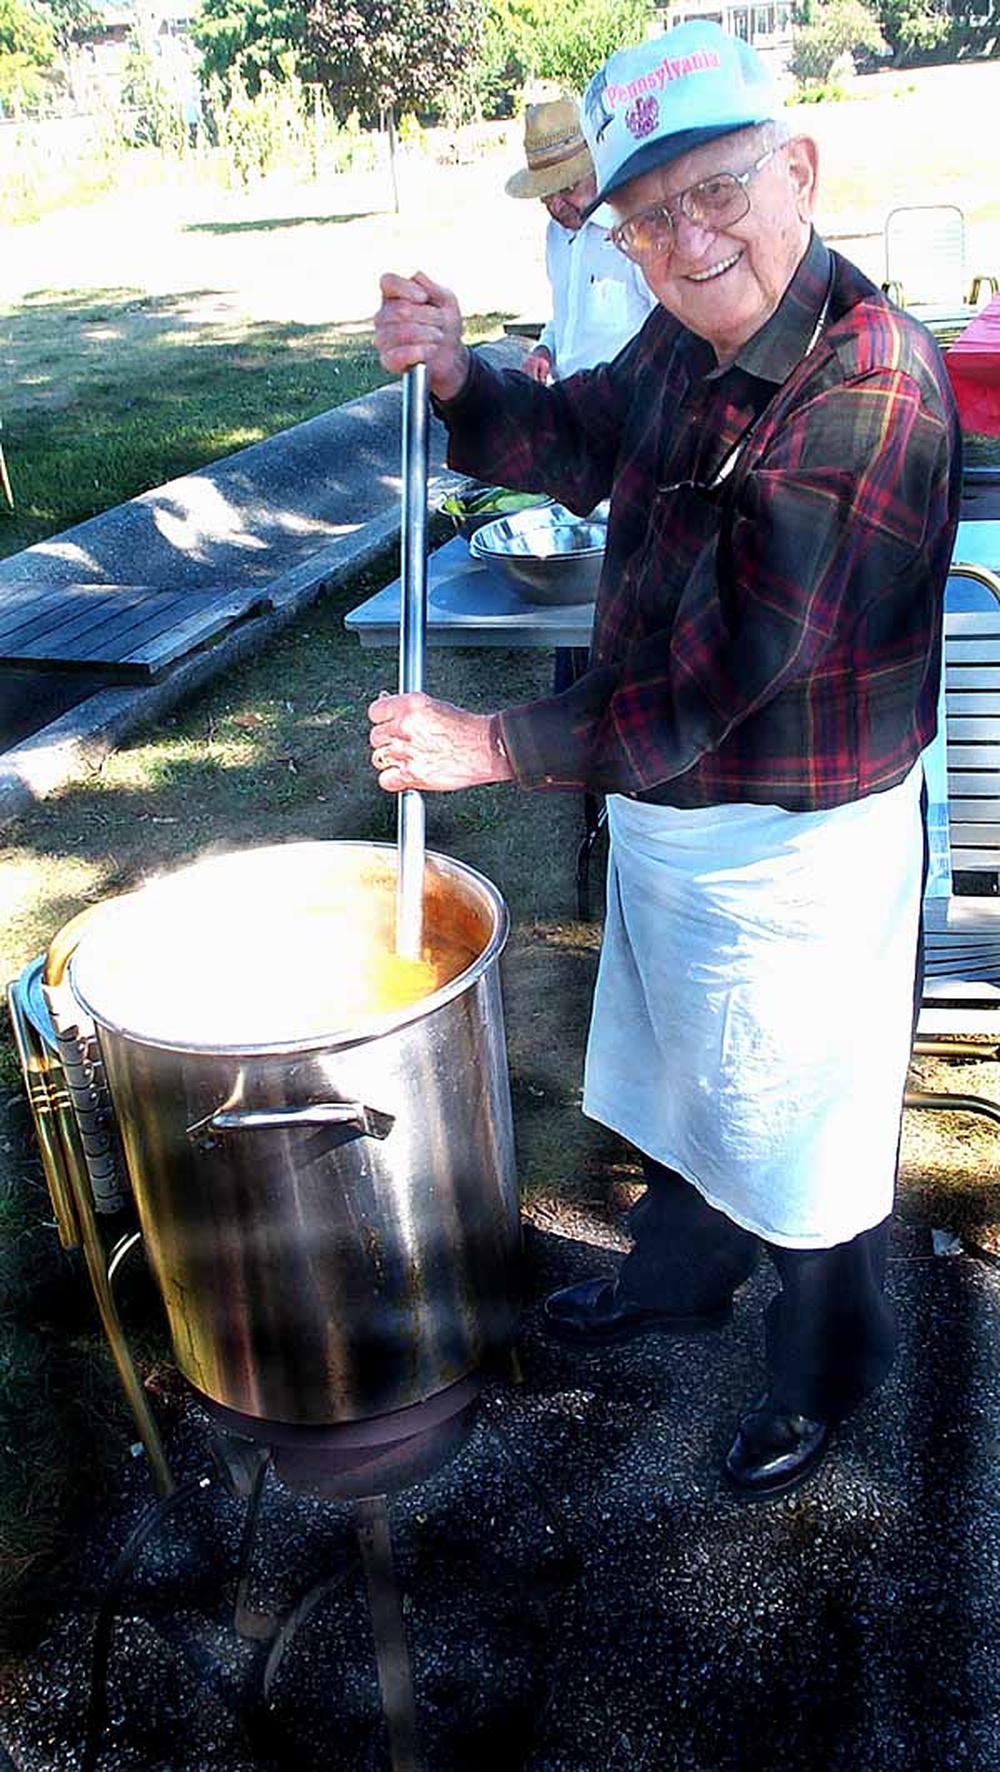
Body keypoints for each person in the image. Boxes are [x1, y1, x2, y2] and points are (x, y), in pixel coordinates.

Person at [369, 21, 961, 1499]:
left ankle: (829, 1373)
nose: (688, 241)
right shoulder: (691, 338)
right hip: (682, 824)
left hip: (797, 845)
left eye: (717, 192)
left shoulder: (864, 394)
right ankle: (680, 1281)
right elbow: (576, 436)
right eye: (649, 216)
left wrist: (492, 742)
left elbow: (723, 682)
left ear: (798, 171)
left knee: (805, 1143)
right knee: (699, 1088)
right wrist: (455, 381)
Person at [504, 95, 656, 383]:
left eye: (567, 188)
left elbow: (668, 330)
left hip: (626, 404)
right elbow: (566, 313)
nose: (555, 205)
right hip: (568, 401)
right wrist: (545, 349)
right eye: (546, 195)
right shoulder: (556, 234)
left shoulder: (635, 231)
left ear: (596, 170)